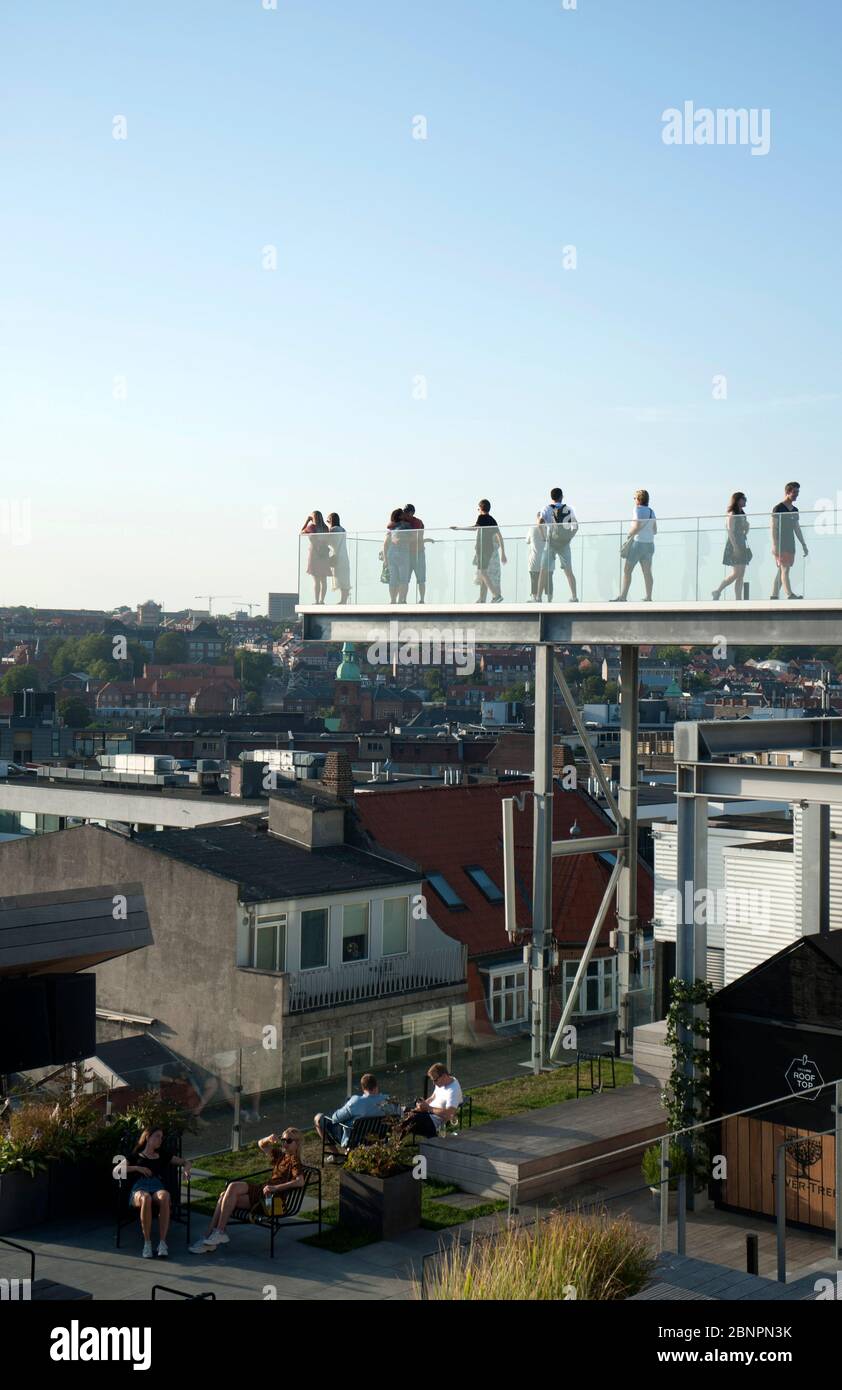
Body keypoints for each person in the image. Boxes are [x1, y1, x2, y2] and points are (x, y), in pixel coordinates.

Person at [190, 1128, 305, 1252]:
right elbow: (261, 1144)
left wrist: (274, 1188)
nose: (284, 1143)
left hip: (269, 1200)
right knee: (227, 1192)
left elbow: (300, 1181)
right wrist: (268, 1138)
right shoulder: (281, 1156)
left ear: (297, 1143)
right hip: (262, 1192)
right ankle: (213, 1236)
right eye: (283, 1140)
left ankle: (215, 1234)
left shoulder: (294, 1160)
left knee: (227, 1193)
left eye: (288, 1141)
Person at [126, 1126, 192, 1259]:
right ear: (147, 1137)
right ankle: (147, 1243)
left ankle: (162, 1243)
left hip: (156, 1185)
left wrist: (186, 1169)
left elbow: (186, 1161)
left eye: (161, 1137)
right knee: (146, 1198)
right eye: (157, 1136)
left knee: (165, 1196)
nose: (160, 1140)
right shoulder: (134, 1155)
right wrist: (137, 1168)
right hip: (140, 1187)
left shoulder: (162, 1154)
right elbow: (117, 1170)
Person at [314, 1073, 399, 1162]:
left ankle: (336, 1154)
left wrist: (346, 1105)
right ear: (376, 1085)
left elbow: (335, 1118)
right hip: (378, 1138)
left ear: (363, 1088)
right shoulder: (388, 1100)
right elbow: (398, 1115)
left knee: (318, 1118)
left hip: (354, 1140)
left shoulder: (356, 1101)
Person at [450, 500, 506, 602]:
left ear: (480, 508)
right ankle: (482, 598)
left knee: (482, 572)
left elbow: (474, 528)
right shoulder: (493, 520)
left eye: (478, 509)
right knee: (483, 574)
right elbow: (499, 536)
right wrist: (503, 553)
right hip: (489, 549)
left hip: (483, 549)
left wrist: (458, 528)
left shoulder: (482, 517)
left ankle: (495, 595)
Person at [399, 1063, 463, 1140]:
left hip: (433, 1122)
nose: (433, 1083)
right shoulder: (442, 1082)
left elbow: (449, 1114)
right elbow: (433, 1097)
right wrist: (423, 1104)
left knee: (410, 1119)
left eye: (435, 1080)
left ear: (444, 1076)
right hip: (427, 1113)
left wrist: (428, 1108)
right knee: (401, 1111)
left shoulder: (453, 1090)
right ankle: (390, 1141)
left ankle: (391, 1144)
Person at [614, 489, 657, 601]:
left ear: (638, 499)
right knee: (647, 572)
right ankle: (649, 597)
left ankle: (623, 596)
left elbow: (637, 526)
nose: (634, 500)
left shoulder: (637, 509)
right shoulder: (652, 512)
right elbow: (655, 530)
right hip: (650, 544)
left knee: (627, 570)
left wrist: (629, 534)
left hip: (638, 543)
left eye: (634, 498)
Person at [539, 487, 579, 601]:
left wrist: (543, 537)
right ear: (561, 497)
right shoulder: (569, 509)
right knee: (569, 571)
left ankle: (538, 597)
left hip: (551, 542)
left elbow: (539, 523)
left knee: (543, 570)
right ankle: (574, 596)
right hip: (564, 544)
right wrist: (569, 537)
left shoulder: (546, 509)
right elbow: (576, 526)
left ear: (551, 497)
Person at [770, 481, 808, 600]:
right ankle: (790, 594)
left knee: (781, 571)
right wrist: (775, 545)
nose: (796, 495)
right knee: (785, 569)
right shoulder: (778, 508)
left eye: (798, 492)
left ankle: (774, 595)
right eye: (794, 492)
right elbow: (773, 527)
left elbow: (797, 528)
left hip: (790, 543)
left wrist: (803, 544)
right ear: (787, 492)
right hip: (781, 543)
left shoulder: (795, 509)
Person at [712, 492, 752, 600]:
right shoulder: (732, 513)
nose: (745, 501)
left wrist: (747, 527)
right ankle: (718, 590)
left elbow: (744, 532)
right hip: (734, 543)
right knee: (736, 573)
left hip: (742, 542)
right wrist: (735, 547)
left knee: (741, 574)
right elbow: (730, 531)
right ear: (738, 500)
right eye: (744, 499)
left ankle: (738, 599)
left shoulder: (742, 513)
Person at [402, 503, 436, 602]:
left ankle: (421, 600)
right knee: (405, 579)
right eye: (405, 512)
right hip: (407, 553)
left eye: (407, 512)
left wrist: (402, 539)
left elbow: (416, 537)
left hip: (418, 553)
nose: (406, 514)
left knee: (421, 578)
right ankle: (403, 600)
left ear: (412, 513)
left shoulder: (417, 522)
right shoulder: (403, 522)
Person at [381, 508, 413, 604]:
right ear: (400, 516)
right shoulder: (406, 525)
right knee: (402, 579)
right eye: (402, 514)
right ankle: (400, 600)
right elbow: (412, 537)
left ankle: (394, 600)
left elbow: (386, 543)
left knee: (394, 579)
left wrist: (385, 558)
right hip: (401, 554)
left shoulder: (392, 527)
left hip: (392, 554)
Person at [301, 511, 331, 604]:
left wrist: (307, 521)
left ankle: (317, 601)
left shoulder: (312, 527)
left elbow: (302, 532)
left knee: (316, 580)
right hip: (324, 553)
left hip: (315, 554)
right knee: (323, 579)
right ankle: (322, 600)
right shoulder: (325, 528)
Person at [327, 512, 352, 604]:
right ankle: (344, 600)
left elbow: (329, 542)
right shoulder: (343, 529)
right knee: (344, 578)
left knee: (339, 577)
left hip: (337, 555)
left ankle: (342, 600)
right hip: (344, 555)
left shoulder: (333, 529)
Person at [526, 512, 549, 601]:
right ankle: (545, 598)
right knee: (545, 581)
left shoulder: (532, 529)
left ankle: (534, 598)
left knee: (534, 580)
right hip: (545, 561)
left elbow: (527, 541)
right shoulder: (548, 530)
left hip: (534, 560)